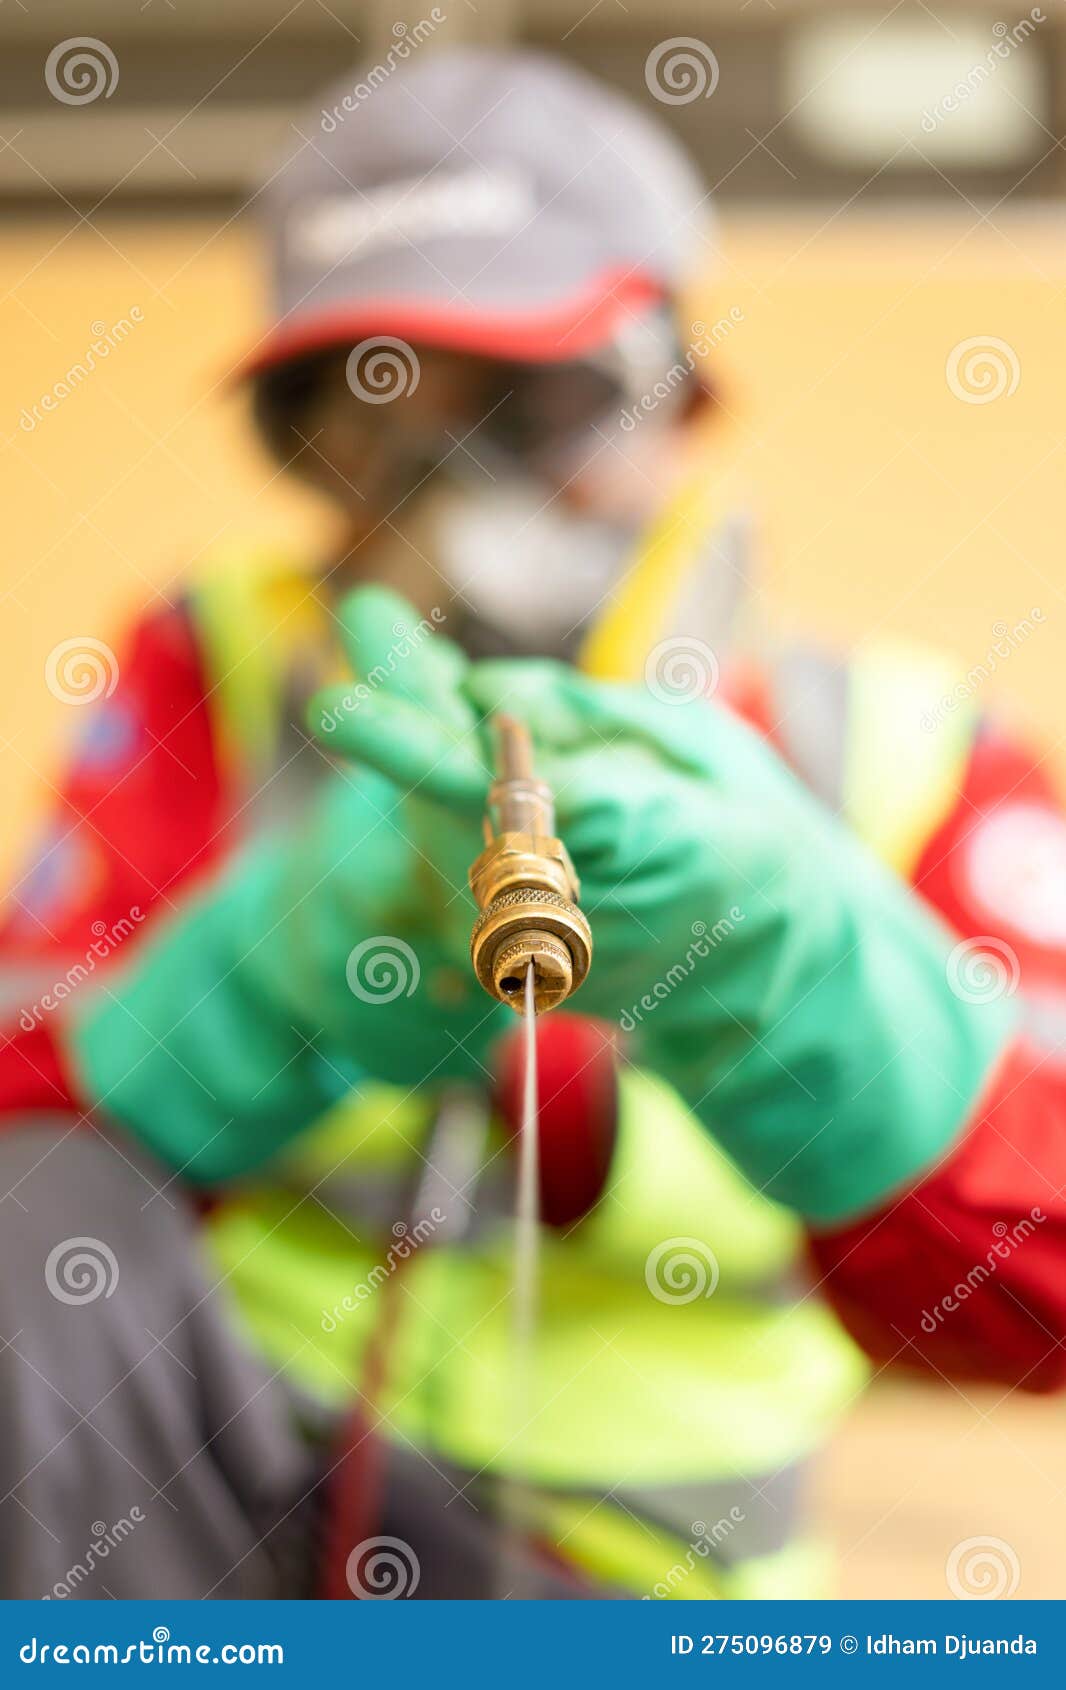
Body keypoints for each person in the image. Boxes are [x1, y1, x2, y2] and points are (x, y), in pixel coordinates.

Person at [2, 48, 1064, 1603]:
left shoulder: (899, 748)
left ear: (679, 391)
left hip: (640, 1587)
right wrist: (235, 992)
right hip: (213, 1523)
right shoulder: (200, 670)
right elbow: (25, 1093)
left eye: (534, 403)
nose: (454, 490)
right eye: (368, 418)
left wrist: (822, 997)